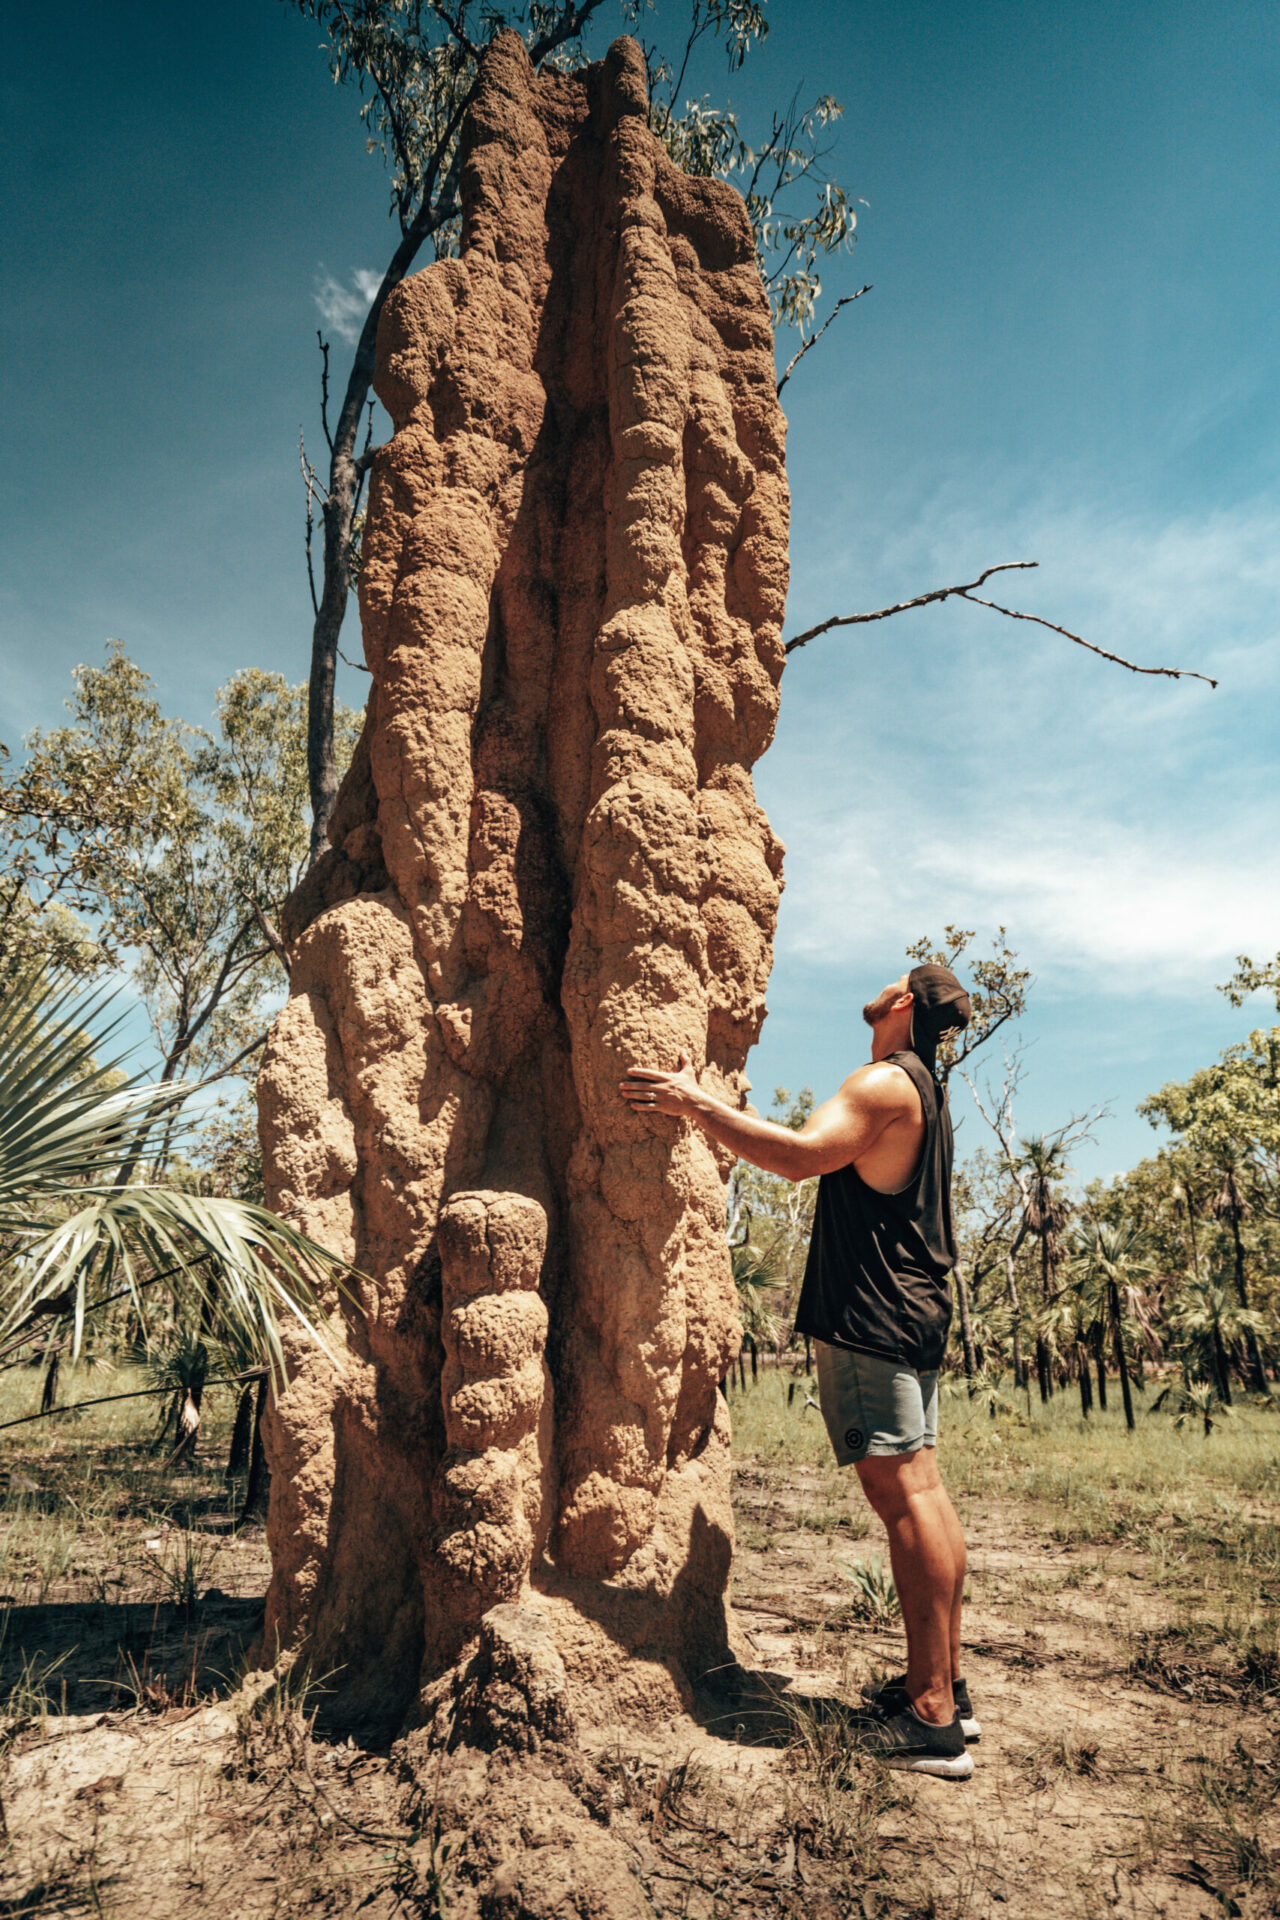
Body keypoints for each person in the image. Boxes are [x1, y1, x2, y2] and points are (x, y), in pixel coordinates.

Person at [619, 963, 977, 1781]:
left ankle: (932, 1718)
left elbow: (798, 1158)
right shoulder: (925, 1089)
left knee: (904, 1498)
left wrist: (694, 1103)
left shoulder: (885, 1082)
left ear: (902, 1004)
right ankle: (947, 1686)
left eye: (891, 980)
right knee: (925, 1491)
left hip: (872, 1316)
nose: (877, 984)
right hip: (912, 1313)